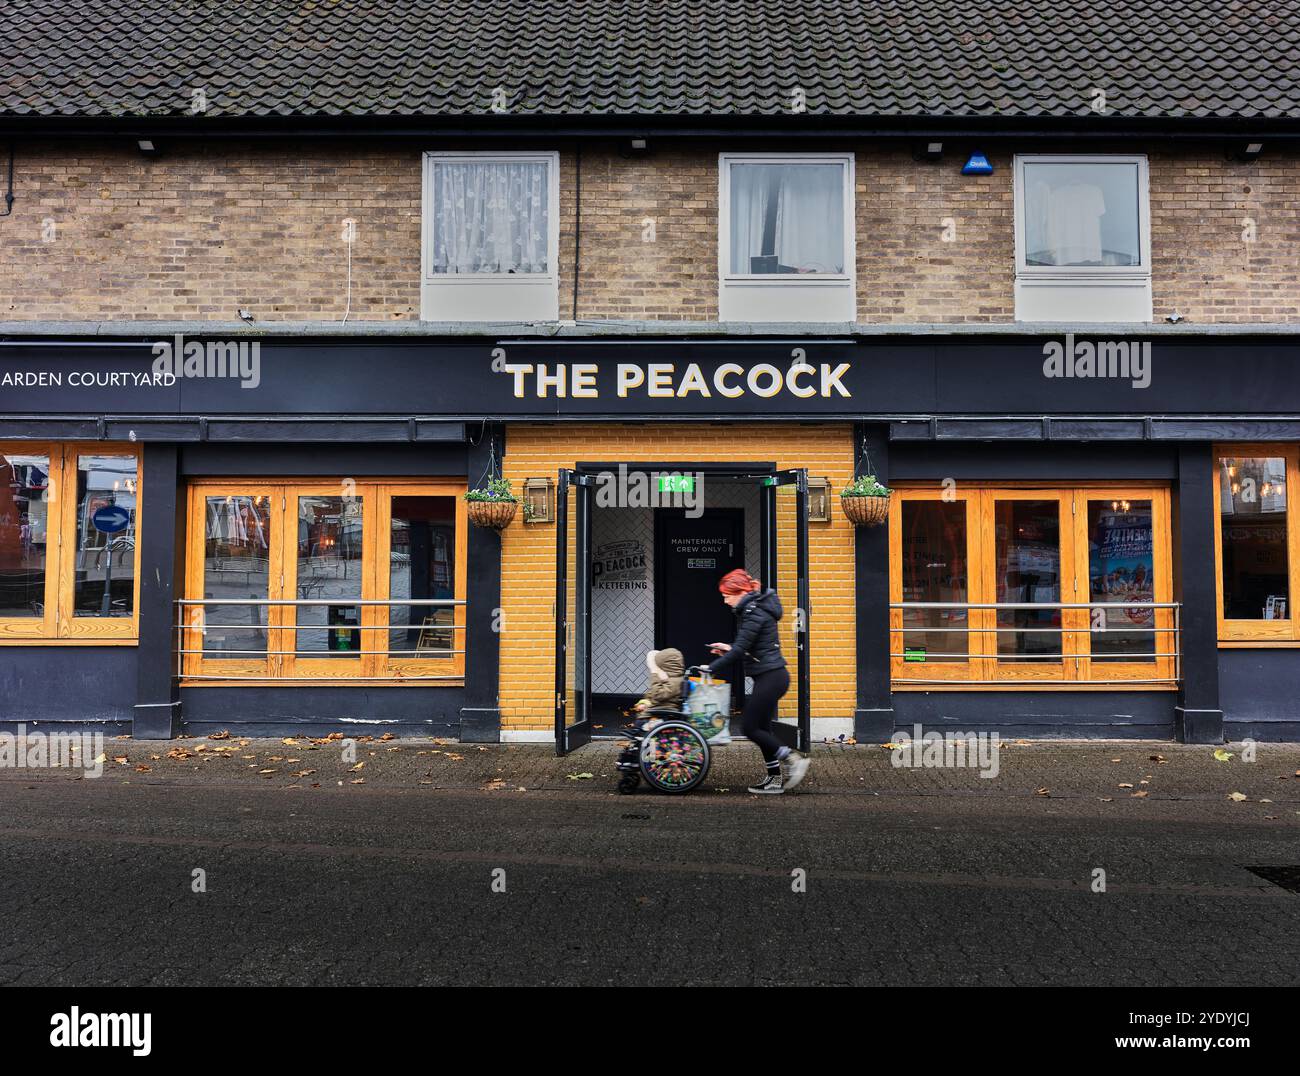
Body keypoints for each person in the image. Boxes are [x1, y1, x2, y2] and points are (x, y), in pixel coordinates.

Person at [707, 568, 810, 794]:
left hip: (772, 678)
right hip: (770, 676)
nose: (725, 601)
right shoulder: (753, 610)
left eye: (727, 596)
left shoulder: (755, 613)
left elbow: (741, 650)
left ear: (740, 592)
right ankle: (773, 780)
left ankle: (792, 758)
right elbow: (746, 649)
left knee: (749, 727)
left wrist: (710, 669)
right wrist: (729, 649)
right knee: (762, 729)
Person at [631, 647, 685, 730]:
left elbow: (658, 695)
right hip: (659, 710)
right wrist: (645, 702)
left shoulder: (675, 681)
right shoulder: (671, 678)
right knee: (639, 723)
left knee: (639, 724)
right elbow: (652, 694)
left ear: (666, 666)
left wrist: (655, 674)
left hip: (662, 714)